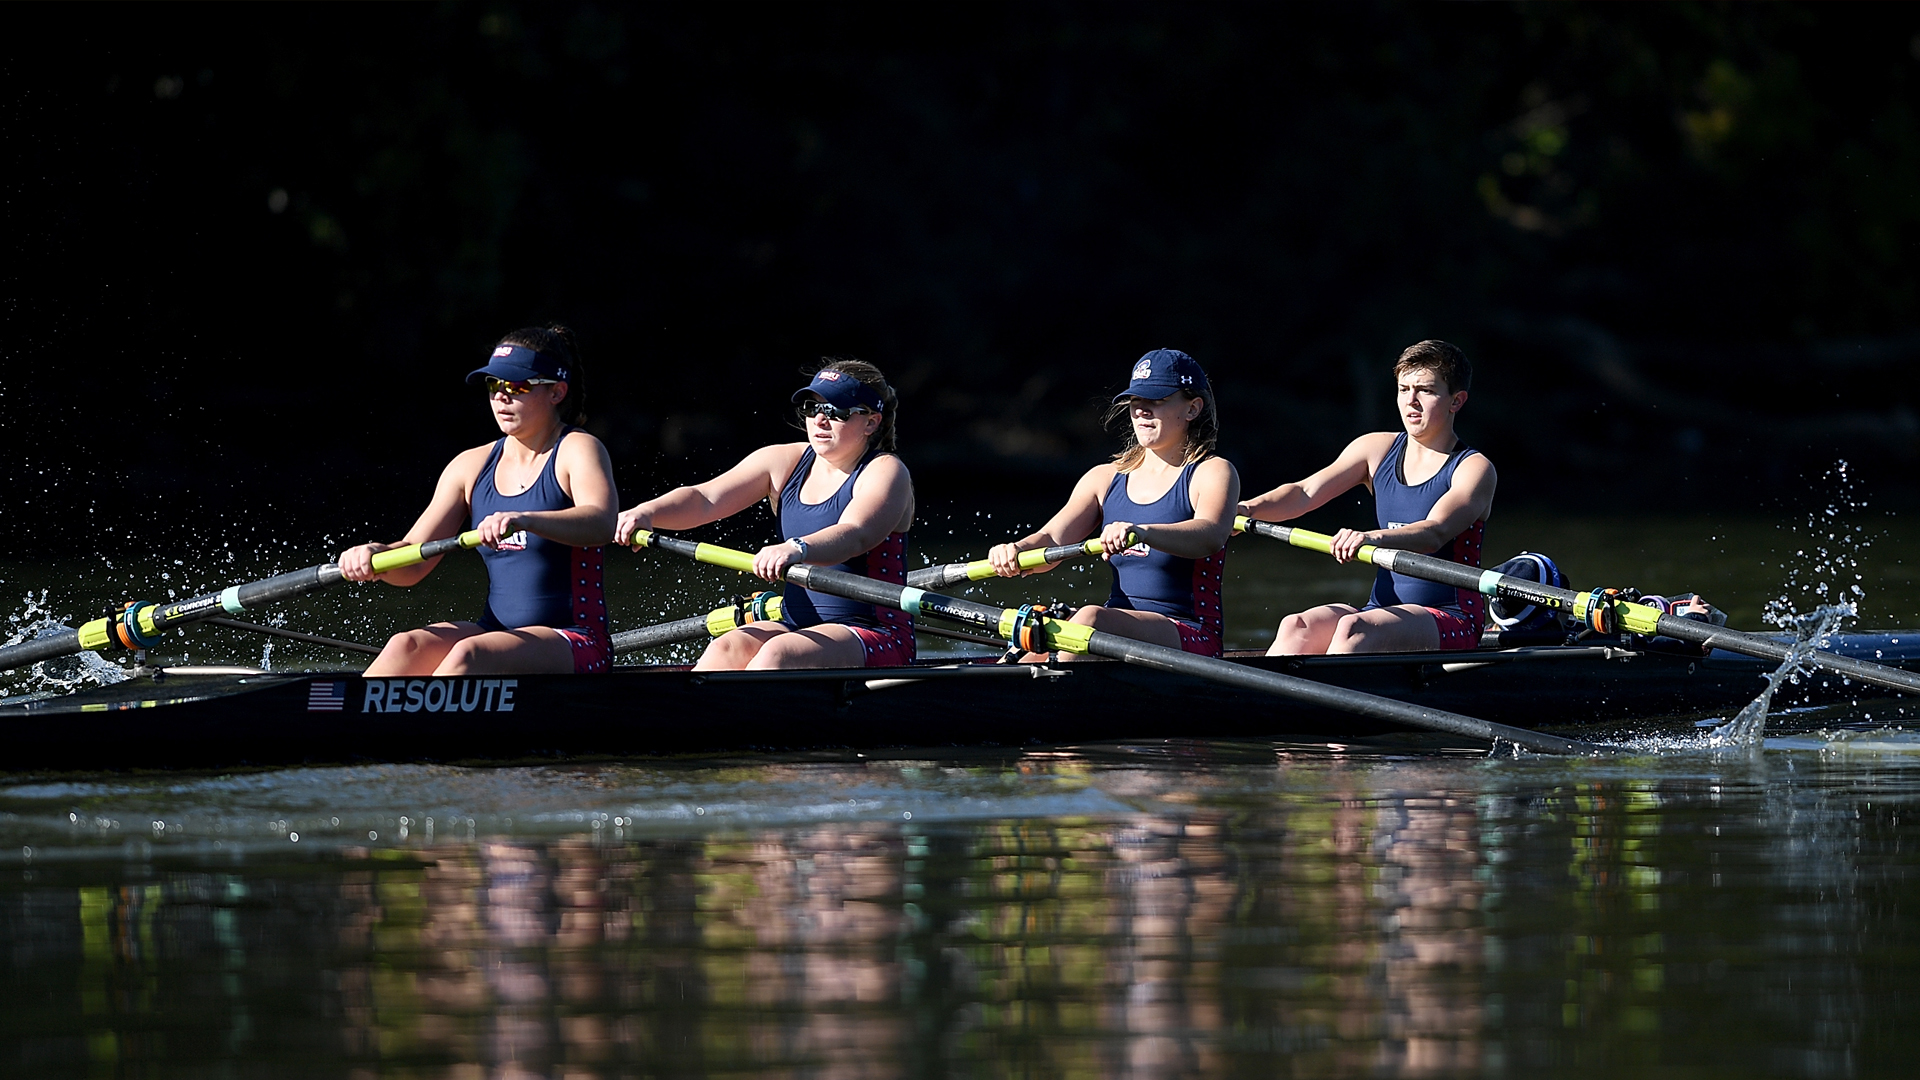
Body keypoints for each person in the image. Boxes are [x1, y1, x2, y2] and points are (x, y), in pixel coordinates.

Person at [339, 326, 618, 676]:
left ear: (557, 392)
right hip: (496, 635)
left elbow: (601, 523)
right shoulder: (469, 466)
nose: (501, 397)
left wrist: (526, 519)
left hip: (576, 640)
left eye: (517, 386)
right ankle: (345, 725)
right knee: (405, 645)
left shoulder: (578, 449)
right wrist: (376, 555)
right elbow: (413, 558)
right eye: (494, 385)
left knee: (469, 654)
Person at [613, 359, 914, 671]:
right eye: (814, 408)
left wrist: (796, 548)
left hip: (877, 633)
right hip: (796, 624)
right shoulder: (783, 461)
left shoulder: (886, 471)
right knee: (726, 647)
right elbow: (705, 499)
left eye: (837, 411)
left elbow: (856, 533)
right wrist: (646, 512)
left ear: (871, 422)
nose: (821, 420)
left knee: (777, 654)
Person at [1242, 339, 1496, 655]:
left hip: (1452, 618)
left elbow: (1435, 532)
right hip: (1381, 610)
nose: (1411, 401)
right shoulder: (1376, 450)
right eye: (1404, 389)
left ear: (1456, 401)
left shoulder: (1473, 468)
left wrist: (1369, 537)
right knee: (1297, 626)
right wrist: (1245, 509)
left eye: (1425, 391)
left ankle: (1320, 701)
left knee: (1353, 629)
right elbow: (1304, 493)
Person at [987, 348, 1239, 659]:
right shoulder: (1104, 478)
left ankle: (1032, 698)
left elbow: (1210, 535)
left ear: (1192, 408)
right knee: (1045, 629)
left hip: (1191, 634)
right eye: (1136, 402)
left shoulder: (1212, 471)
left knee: (1089, 619)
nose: (1141, 411)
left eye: (1156, 401)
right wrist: (1016, 550)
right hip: (1113, 629)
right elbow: (1052, 541)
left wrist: (1143, 531)